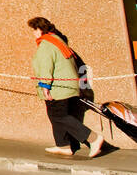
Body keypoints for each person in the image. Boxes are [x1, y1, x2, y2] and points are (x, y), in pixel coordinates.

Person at [30, 16, 103, 158]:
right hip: (69, 86)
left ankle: (93, 138)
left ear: (39, 29)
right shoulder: (58, 41)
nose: (33, 33)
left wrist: (45, 86)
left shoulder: (46, 44)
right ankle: (63, 145)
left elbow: (46, 66)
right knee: (56, 115)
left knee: (59, 116)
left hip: (58, 87)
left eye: (34, 30)